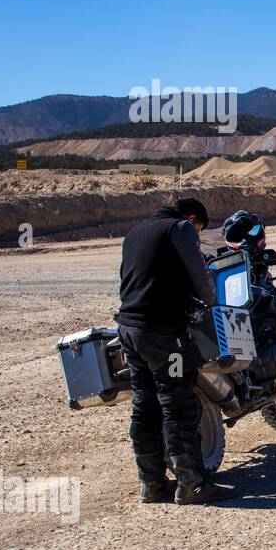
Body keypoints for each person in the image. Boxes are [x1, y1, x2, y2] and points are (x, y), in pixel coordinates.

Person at [116, 198, 236, 504]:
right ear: (192, 218)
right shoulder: (180, 228)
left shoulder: (136, 232)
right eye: (199, 230)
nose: (196, 235)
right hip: (163, 335)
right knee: (178, 404)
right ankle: (191, 485)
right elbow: (200, 276)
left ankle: (152, 484)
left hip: (130, 330)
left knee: (145, 405)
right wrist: (211, 300)